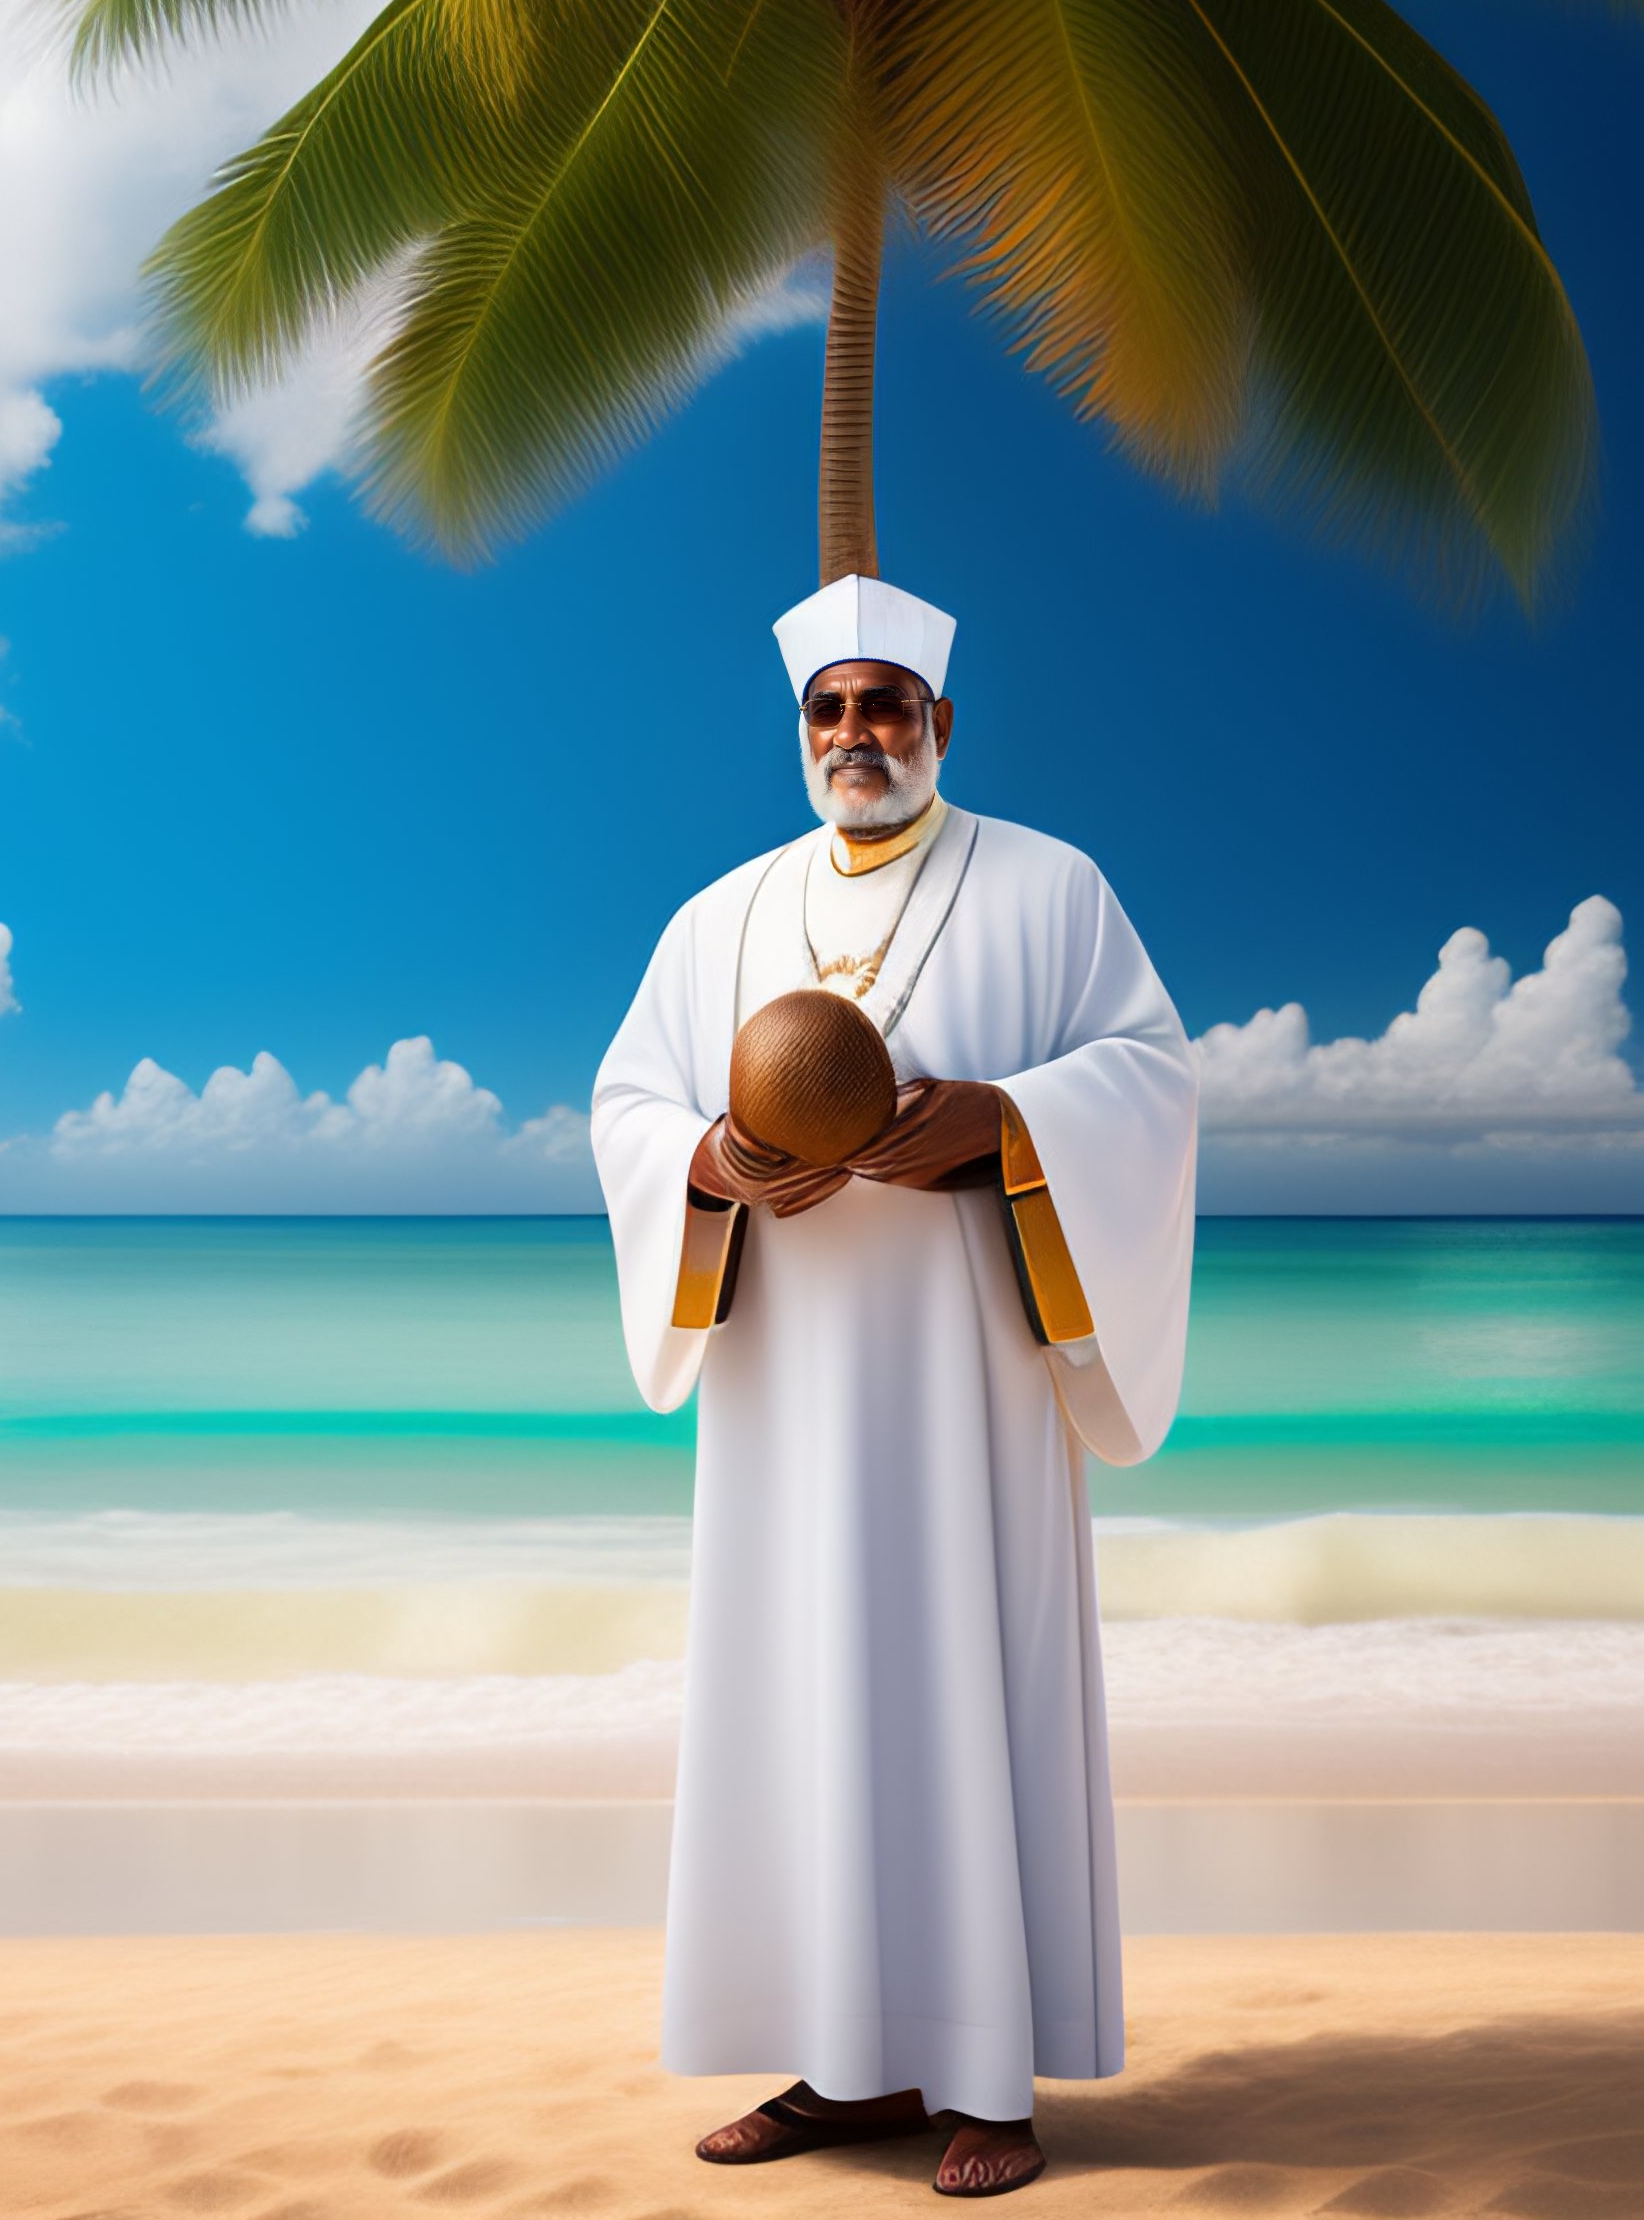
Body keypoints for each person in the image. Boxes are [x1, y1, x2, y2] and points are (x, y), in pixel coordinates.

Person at [592, 574, 1198, 2197]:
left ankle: (986, 2078)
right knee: (805, 1698)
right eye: (829, 710)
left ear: (943, 722)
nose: (857, 733)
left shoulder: (1052, 887)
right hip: (788, 1387)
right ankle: (843, 2067)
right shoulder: (719, 916)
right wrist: (711, 1162)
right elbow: (629, 1105)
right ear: (801, 731)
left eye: (886, 705)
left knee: (964, 1680)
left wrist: (1005, 1124)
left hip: (967, 1386)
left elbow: (1150, 1079)